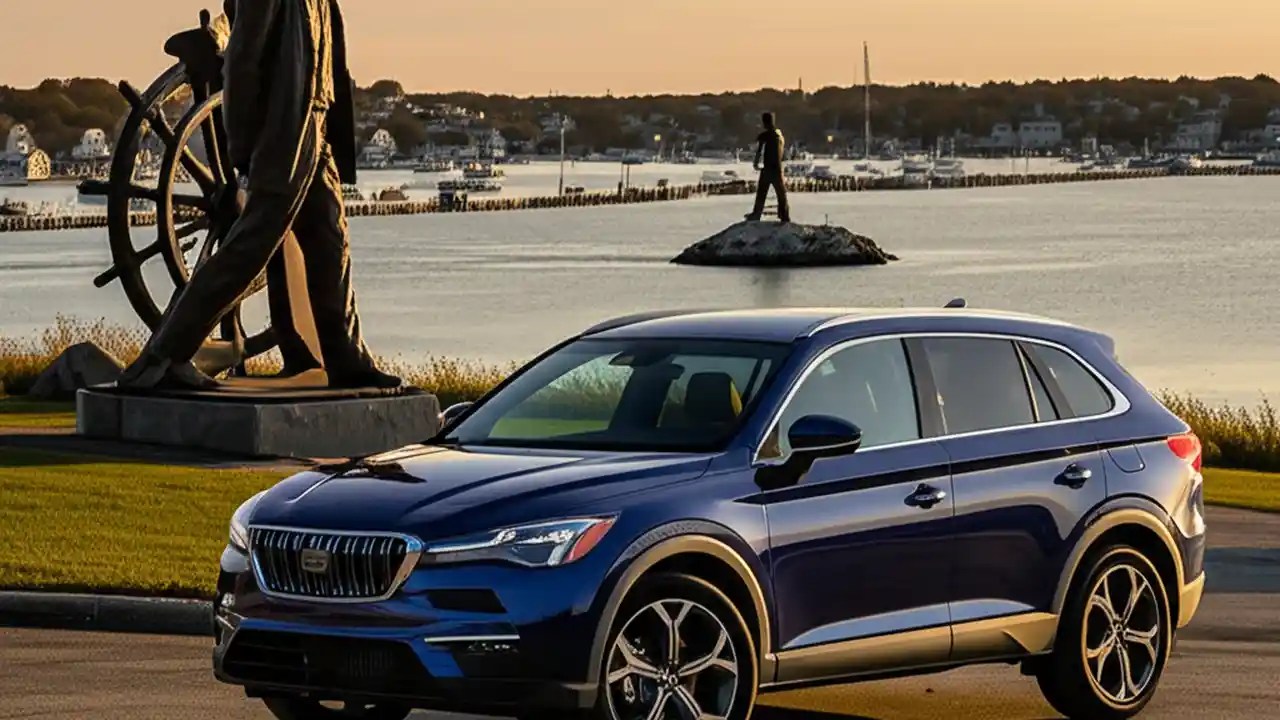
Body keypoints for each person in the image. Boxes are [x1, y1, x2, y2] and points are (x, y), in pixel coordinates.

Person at [119, 0, 400, 390]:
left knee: (331, 242)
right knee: (250, 246)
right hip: (283, 131)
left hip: (314, 123)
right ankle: (165, 355)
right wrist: (244, 144)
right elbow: (242, 60)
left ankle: (345, 356)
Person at [746, 112, 791, 223]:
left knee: (762, 192)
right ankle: (784, 215)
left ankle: (757, 214)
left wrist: (756, 163)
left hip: (768, 168)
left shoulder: (765, 136)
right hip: (778, 168)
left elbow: (760, 151)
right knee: (781, 193)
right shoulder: (779, 135)